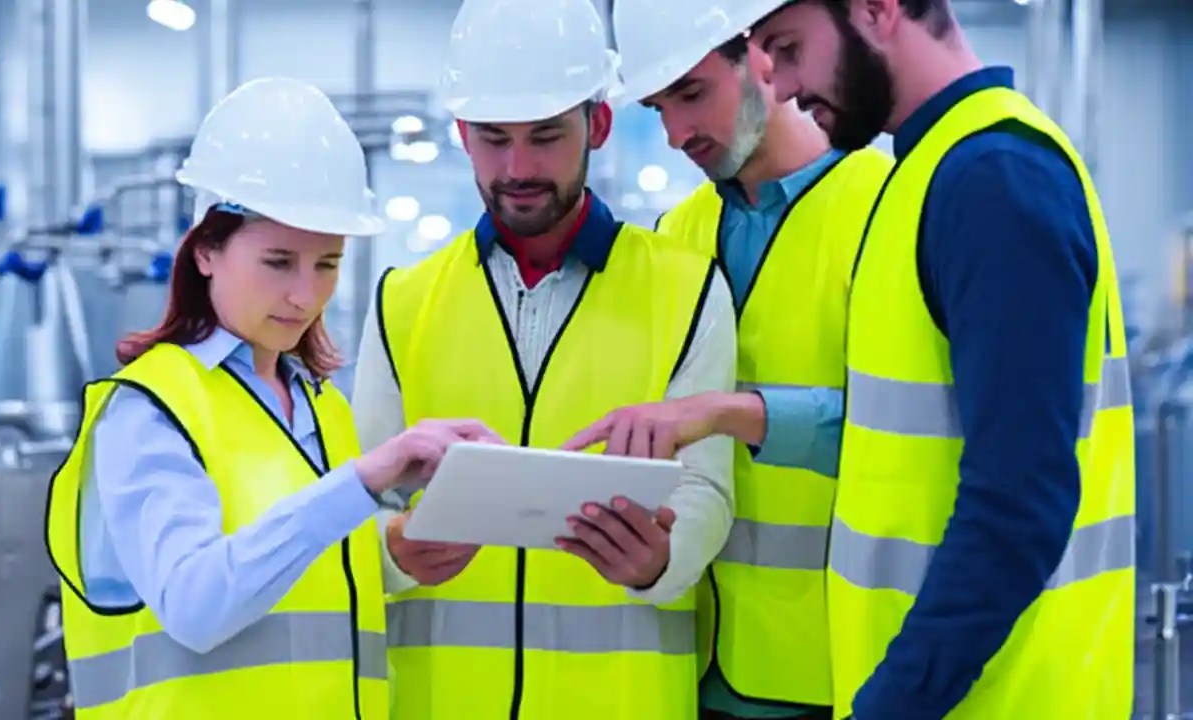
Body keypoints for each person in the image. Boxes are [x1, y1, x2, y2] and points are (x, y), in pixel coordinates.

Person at [45, 77, 503, 719]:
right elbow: (196, 605)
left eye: (327, 264)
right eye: (278, 261)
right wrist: (364, 480)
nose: (304, 295)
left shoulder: (321, 407)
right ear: (206, 251)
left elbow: (309, 581)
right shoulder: (151, 409)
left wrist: (393, 553)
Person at [349, 0, 738, 716]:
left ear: (597, 125)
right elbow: (353, 503)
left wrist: (661, 560)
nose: (518, 167)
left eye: (546, 137)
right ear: (463, 135)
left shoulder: (686, 288)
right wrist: (392, 553)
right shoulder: (403, 303)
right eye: (494, 139)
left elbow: (708, 491)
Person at [753, 1, 1129, 718]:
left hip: (995, 700)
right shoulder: (928, 171)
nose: (784, 87)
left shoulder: (994, 180)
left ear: (876, 8)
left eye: (791, 47)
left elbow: (1018, 506)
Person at [585, 2, 894, 718]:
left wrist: (734, 415)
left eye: (692, 94)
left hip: (835, 671)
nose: (675, 134)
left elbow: (915, 434)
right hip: (687, 662)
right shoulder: (674, 235)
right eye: (659, 106)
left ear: (764, 53)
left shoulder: (886, 209)